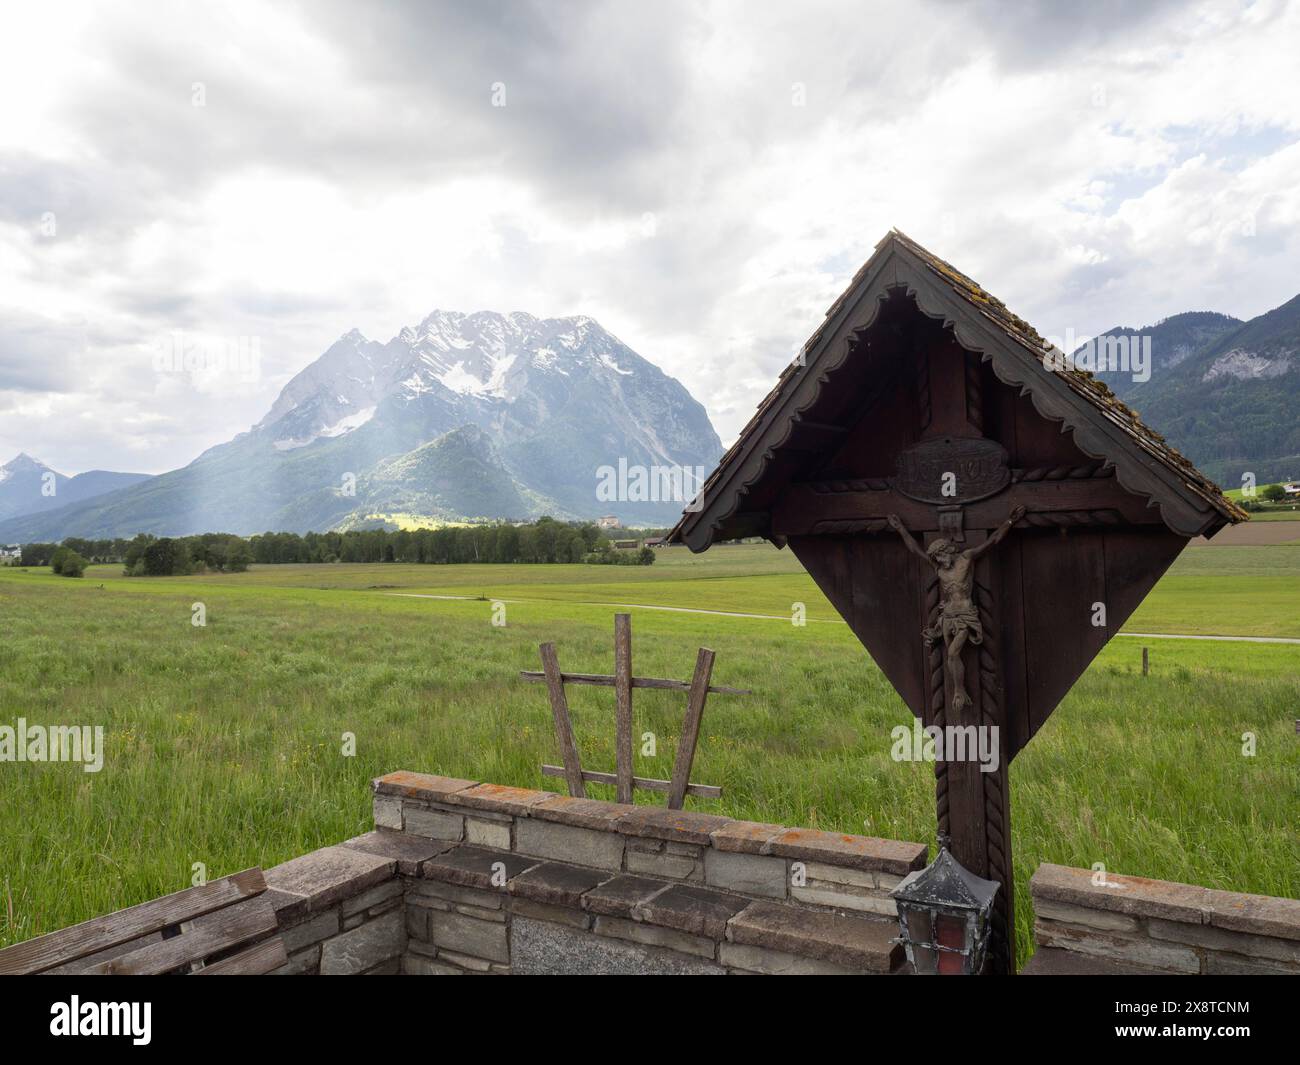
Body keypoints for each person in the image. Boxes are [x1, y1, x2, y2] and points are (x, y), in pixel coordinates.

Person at [886, 505, 1026, 713]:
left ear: (947, 550)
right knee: (951, 656)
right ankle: (960, 692)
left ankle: (959, 691)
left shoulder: (966, 558)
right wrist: (901, 529)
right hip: (948, 615)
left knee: (952, 653)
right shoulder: (939, 569)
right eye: (937, 559)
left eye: (942, 556)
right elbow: (915, 550)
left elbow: (992, 541)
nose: (941, 561)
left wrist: (1010, 521)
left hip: (966, 615)